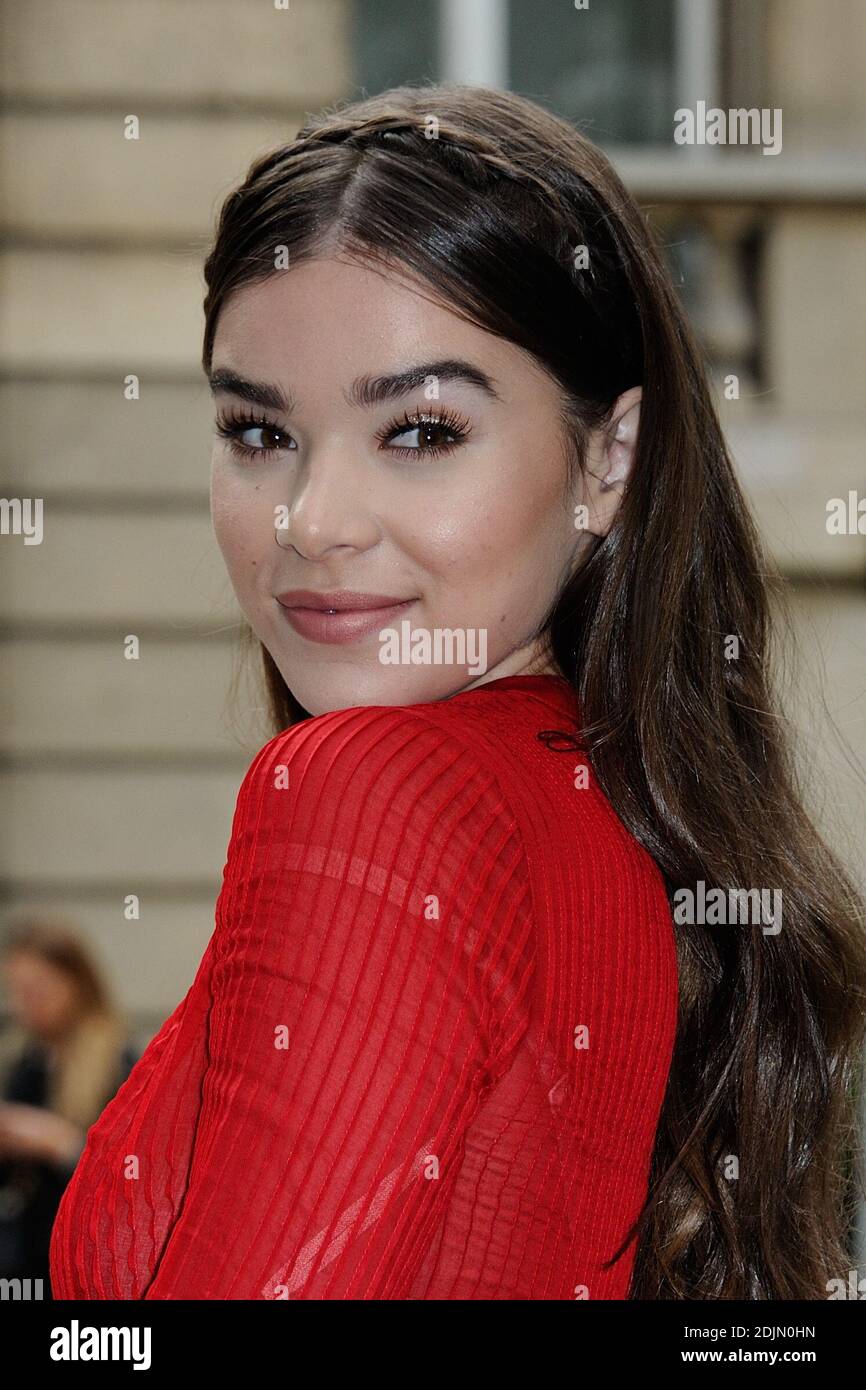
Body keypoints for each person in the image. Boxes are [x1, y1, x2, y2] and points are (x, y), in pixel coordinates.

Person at [50, 83, 866, 1300]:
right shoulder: (616, 828)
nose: (310, 523)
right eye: (257, 431)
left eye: (422, 431)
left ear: (610, 458)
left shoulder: (376, 793)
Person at [0, 917, 138, 1291]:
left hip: (83, 1260)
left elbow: (129, 1180)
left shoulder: (116, 1061)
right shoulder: (30, 1062)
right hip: (28, 1254)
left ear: (76, 984)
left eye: (38, 990)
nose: (26, 1005)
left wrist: (57, 1142)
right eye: (19, 992)